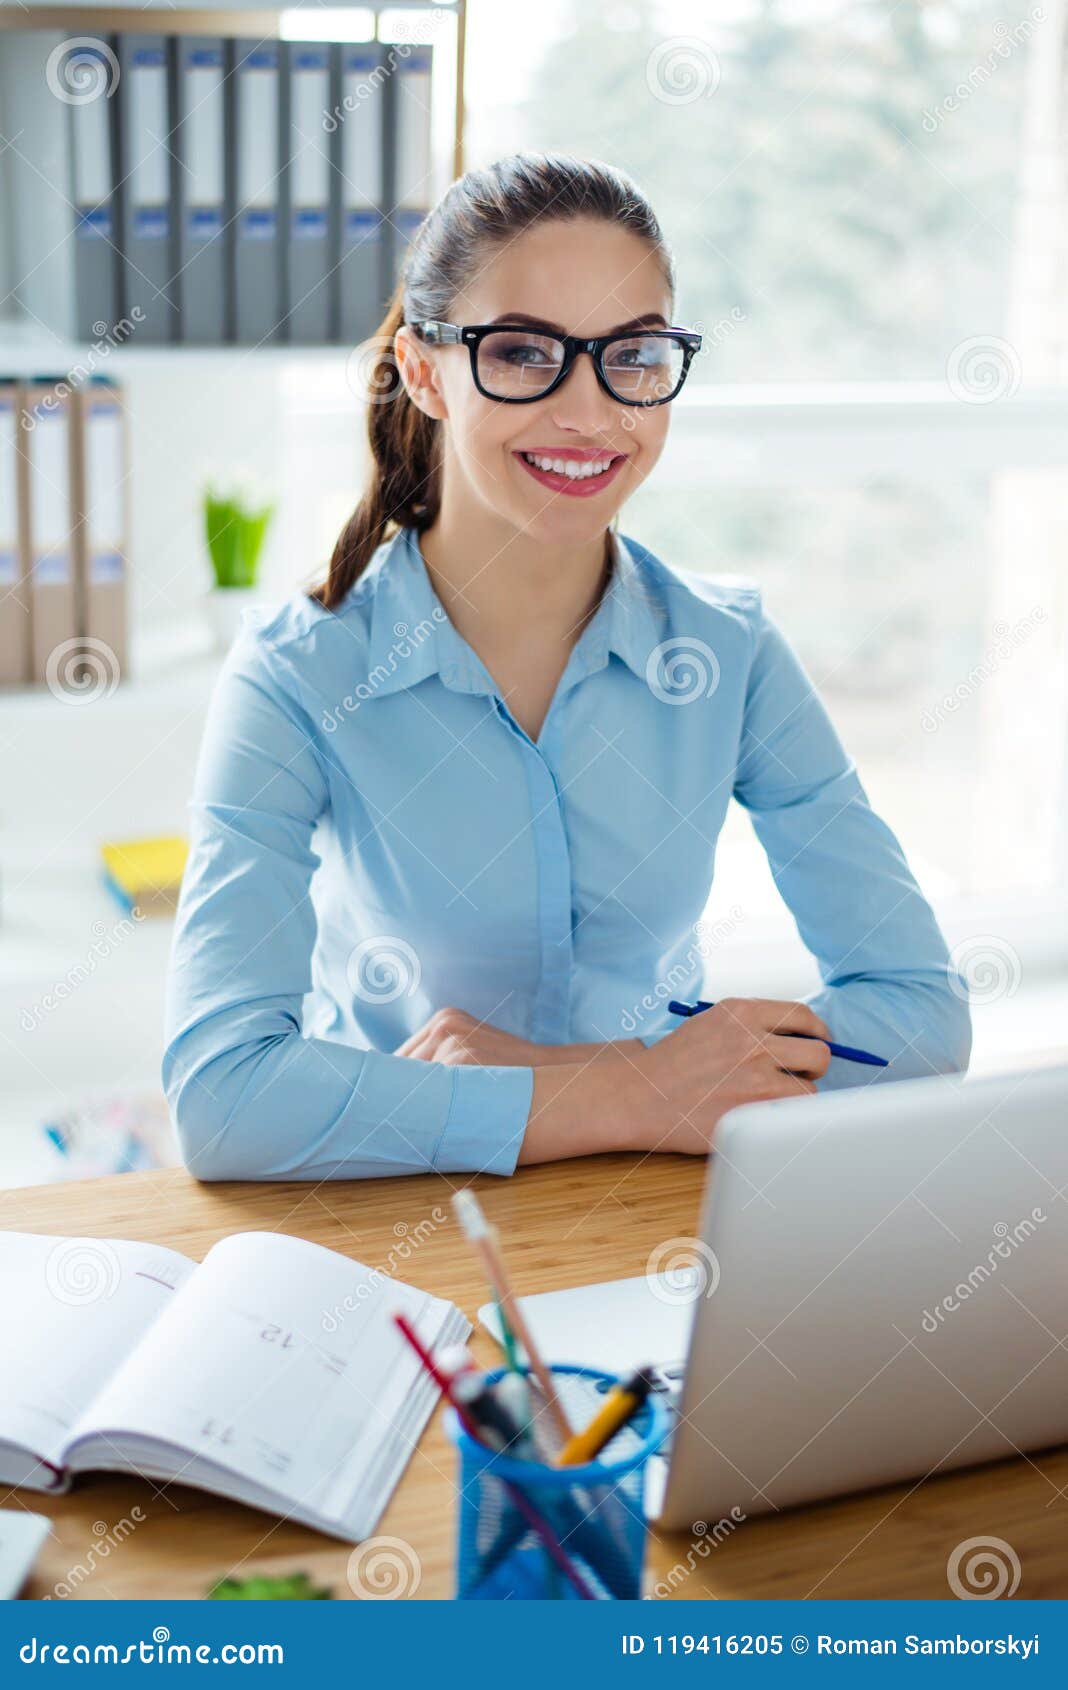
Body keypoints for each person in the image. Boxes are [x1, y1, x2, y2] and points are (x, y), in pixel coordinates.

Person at [163, 152, 970, 1182]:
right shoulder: (298, 672)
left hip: (660, 1209)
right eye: (523, 352)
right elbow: (227, 1101)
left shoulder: (727, 652)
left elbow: (921, 1015)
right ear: (425, 371)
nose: (589, 413)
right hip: (401, 1208)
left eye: (632, 356)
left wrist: (587, 1079)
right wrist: (642, 1088)